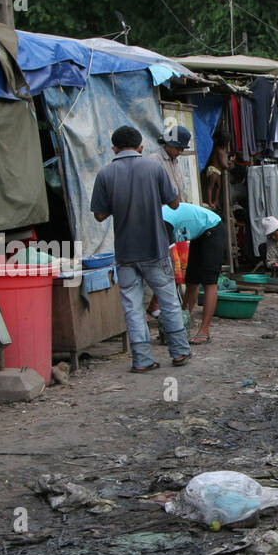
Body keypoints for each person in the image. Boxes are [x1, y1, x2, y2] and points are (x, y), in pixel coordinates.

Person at [91, 125, 189, 372]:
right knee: (168, 302)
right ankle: (179, 353)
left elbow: (100, 215)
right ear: (141, 147)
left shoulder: (104, 174)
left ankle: (142, 360)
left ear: (114, 148)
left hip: (125, 253)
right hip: (155, 249)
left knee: (132, 307)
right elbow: (175, 203)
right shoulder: (154, 167)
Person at [164, 201, 224, 345]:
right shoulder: (151, 222)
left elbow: (169, 263)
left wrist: (155, 302)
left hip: (212, 228)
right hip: (199, 234)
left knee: (209, 281)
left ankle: (204, 331)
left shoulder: (161, 223)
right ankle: (182, 325)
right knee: (191, 280)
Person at [155, 125, 191, 201]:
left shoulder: (176, 161)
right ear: (168, 144)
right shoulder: (155, 160)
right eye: (178, 148)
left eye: (182, 149)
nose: (180, 152)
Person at [202, 128, 229, 209]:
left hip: (217, 171)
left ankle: (215, 201)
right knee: (210, 186)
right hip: (213, 170)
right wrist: (228, 166)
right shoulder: (219, 151)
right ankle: (210, 202)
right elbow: (223, 164)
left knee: (218, 186)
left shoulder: (219, 149)